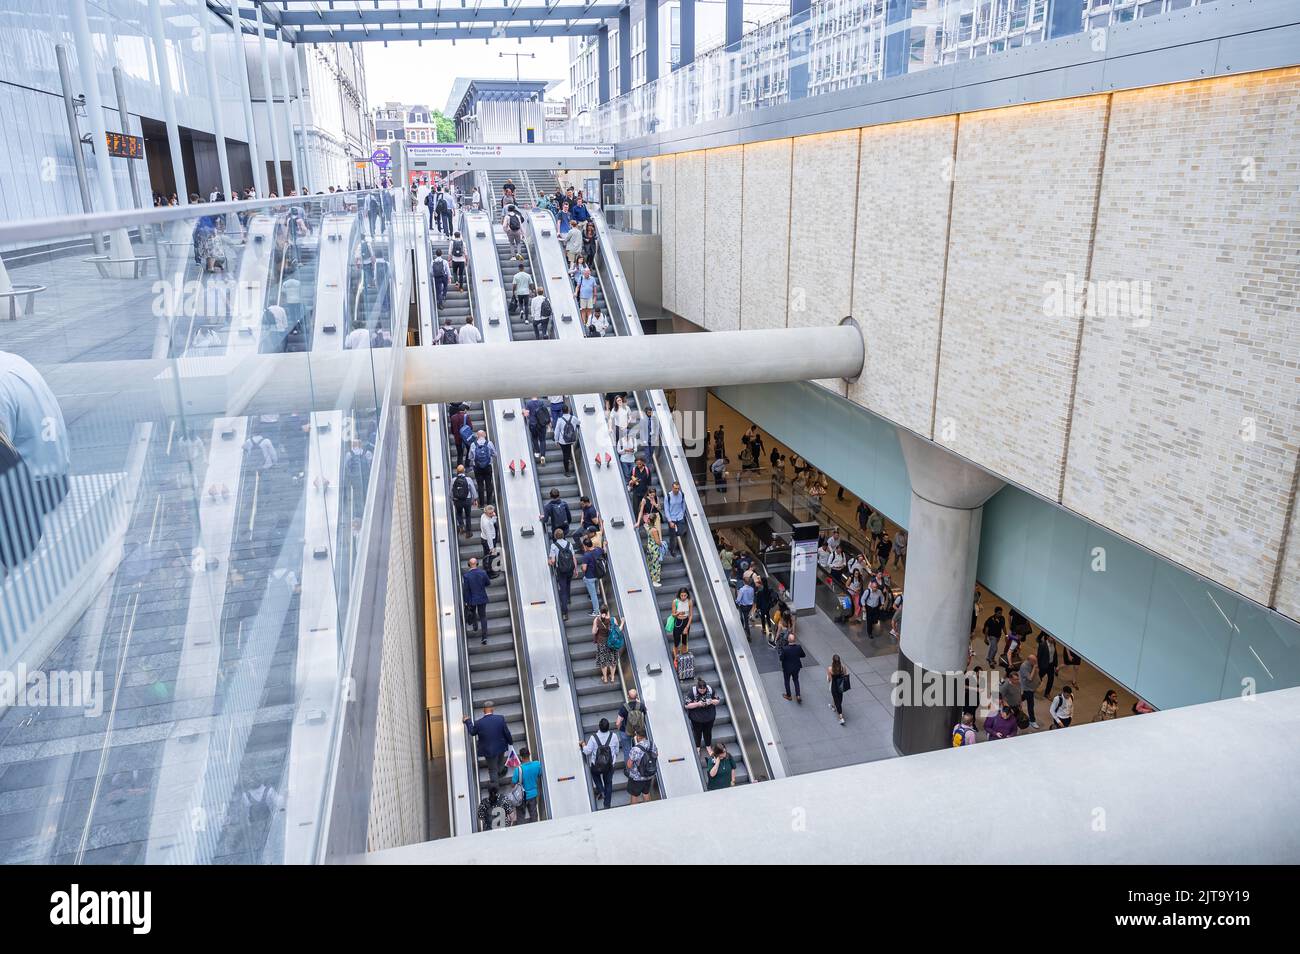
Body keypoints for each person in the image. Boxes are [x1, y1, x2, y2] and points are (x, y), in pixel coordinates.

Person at [464, 699, 512, 782]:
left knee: (492, 770)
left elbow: (472, 732)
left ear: (483, 710)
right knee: (501, 761)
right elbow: (506, 732)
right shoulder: (500, 718)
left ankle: (495, 790)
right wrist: (510, 742)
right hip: (501, 747)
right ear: (492, 709)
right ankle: (500, 771)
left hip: (488, 751)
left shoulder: (479, 723)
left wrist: (468, 721)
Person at [580, 717, 621, 810]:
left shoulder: (593, 738)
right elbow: (617, 750)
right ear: (608, 727)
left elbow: (587, 751)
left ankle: (601, 790)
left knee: (594, 774)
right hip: (609, 765)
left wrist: (583, 744)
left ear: (599, 726)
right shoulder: (613, 736)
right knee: (608, 783)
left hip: (597, 766)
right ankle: (607, 804)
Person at [684, 677, 719, 755]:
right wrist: (697, 704)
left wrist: (711, 701)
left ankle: (708, 746)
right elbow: (686, 705)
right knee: (697, 732)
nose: (702, 691)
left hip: (709, 717)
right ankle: (697, 747)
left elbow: (717, 700)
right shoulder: (692, 692)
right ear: (697, 688)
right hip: (697, 718)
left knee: (708, 732)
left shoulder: (710, 690)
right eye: (700, 690)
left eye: (704, 690)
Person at [549, 527, 577, 621]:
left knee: (563, 589)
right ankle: (568, 598)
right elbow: (573, 557)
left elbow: (552, 561)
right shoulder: (569, 544)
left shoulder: (554, 546)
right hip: (570, 569)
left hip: (560, 570)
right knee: (568, 584)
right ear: (563, 535)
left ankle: (565, 612)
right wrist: (575, 569)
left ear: (555, 536)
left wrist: (549, 561)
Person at [462, 556, 491, 645]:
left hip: (472, 598)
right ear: (477, 564)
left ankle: (475, 626)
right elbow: (488, 583)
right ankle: (484, 637)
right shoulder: (483, 573)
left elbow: (466, 590)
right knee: (483, 616)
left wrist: (466, 601)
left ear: (469, 565)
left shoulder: (466, 576)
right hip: (482, 597)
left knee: (473, 612)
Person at [625, 728, 657, 805]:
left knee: (634, 795)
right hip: (649, 774)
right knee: (646, 793)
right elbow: (656, 755)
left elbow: (629, 765)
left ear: (638, 737)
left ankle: (634, 811)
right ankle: (649, 808)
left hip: (637, 777)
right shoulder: (652, 744)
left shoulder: (636, 749)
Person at [511, 747, 543, 823]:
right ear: (529, 754)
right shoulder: (537, 764)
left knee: (521, 817)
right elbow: (540, 774)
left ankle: (522, 832)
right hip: (533, 795)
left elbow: (512, 784)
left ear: (521, 757)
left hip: (521, 797)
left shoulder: (518, 770)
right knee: (534, 814)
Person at [467, 428, 497, 507]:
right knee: (488, 484)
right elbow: (495, 454)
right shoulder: (489, 443)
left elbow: (470, 457)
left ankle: (482, 504)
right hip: (487, 466)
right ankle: (489, 502)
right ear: (484, 435)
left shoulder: (473, 444)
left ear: (477, 436)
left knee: (480, 485)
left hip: (477, 468)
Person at [593, 605, 622, 684]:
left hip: (601, 642)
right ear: (607, 611)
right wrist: (622, 622)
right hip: (611, 642)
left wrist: (599, 628)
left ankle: (605, 678)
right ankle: (612, 677)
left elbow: (594, 632)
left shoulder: (597, 620)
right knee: (612, 659)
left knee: (603, 661)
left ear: (600, 612)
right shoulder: (612, 619)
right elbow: (618, 630)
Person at [616, 689, 645, 765]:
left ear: (628, 696)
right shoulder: (641, 706)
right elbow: (645, 712)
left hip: (625, 731)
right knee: (641, 747)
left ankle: (629, 769)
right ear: (637, 697)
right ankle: (641, 764)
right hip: (638, 731)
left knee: (627, 751)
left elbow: (618, 723)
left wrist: (620, 729)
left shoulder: (624, 707)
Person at [579, 536, 605, 617]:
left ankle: (596, 611)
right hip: (598, 575)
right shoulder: (598, 549)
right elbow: (604, 551)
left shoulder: (586, 555)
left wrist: (581, 568)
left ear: (586, 546)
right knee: (594, 587)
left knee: (593, 595)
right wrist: (604, 544)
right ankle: (595, 594)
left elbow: (584, 568)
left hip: (590, 577)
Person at [552, 402, 580, 476]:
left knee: (565, 454)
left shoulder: (560, 420)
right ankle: (569, 458)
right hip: (571, 439)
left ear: (561, 411)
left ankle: (567, 471)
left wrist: (556, 440)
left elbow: (557, 430)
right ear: (568, 410)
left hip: (563, 440)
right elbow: (579, 422)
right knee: (568, 451)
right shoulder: (573, 418)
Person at [779, 632, 806, 703]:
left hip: (787, 668)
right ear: (794, 640)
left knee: (787, 681)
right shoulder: (798, 647)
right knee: (796, 680)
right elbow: (803, 655)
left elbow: (781, 658)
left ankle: (789, 695)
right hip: (796, 667)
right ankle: (798, 695)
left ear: (788, 640)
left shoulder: (784, 649)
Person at [667, 587, 693, 660]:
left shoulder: (689, 601)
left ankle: (684, 658)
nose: (683, 597)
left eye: (685, 595)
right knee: (676, 641)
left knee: (684, 642)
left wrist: (687, 627)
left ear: (687, 595)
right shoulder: (675, 601)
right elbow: (673, 614)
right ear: (679, 595)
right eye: (682, 595)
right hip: (678, 623)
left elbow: (690, 615)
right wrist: (678, 613)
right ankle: (676, 658)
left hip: (686, 622)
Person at [664, 480, 688, 557]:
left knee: (683, 531)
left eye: (678, 488)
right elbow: (666, 509)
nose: (677, 490)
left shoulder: (682, 494)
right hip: (672, 518)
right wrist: (670, 521)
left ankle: (675, 536)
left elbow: (683, 504)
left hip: (680, 517)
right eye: (675, 488)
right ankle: (672, 549)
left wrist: (682, 513)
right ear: (672, 488)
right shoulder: (668, 496)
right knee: (673, 536)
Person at [524, 396, 551, 463]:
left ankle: (537, 452)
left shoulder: (528, 403)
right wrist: (548, 424)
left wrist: (523, 412)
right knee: (542, 440)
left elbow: (526, 414)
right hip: (541, 424)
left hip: (533, 424)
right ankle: (542, 456)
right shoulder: (541, 402)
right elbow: (545, 412)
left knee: (534, 438)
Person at [827, 654, 850, 726]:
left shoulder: (830, 669)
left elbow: (830, 679)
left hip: (834, 686)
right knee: (839, 698)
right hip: (841, 686)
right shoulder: (843, 668)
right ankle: (833, 706)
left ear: (832, 661)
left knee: (837, 701)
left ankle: (841, 716)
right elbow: (845, 675)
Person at [1019, 656, 1041, 728]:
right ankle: (1032, 721)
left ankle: (1014, 701)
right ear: (1029, 660)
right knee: (1031, 705)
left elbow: (1036, 674)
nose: (1035, 663)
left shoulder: (1032, 664)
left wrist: (1039, 681)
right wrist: (1034, 668)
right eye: (1034, 661)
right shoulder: (1024, 667)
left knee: (1023, 697)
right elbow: (1030, 678)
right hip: (1028, 688)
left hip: (1032, 688)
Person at [479, 504, 500, 580]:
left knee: (486, 555)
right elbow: (489, 536)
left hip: (484, 538)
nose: (492, 514)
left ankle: (486, 568)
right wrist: (491, 548)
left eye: (492, 512)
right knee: (490, 556)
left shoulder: (483, 516)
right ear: (486, 512)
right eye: (490, 513)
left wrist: (494, 516)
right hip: (488, 541)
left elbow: (492, 522)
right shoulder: (486, 523)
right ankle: (489, 573)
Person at [1037, 632, 1058, 698]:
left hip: (1051, 665)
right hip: (1043, 665)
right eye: (1052, 638)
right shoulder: (1042, 645)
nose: (1053, 639)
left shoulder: (1054, 644)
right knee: (1038, 678)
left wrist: (1056, 664)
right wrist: (1038, 666)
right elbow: (1039, 656)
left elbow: (1055, 654)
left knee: (1051, 679)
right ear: (1048, 637)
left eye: (1054, 638)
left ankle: (1047, 693)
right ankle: (1032, 687)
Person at [735, 576, 755, 641]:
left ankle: (748, 635)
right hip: (750, 606)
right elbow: (752, 597)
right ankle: (747, 619)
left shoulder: (742, 589)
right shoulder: (752, 589)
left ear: (744, 582)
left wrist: (736, 602)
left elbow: (738, 599)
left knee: (745, 620)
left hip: (743, 606)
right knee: (745, 617)